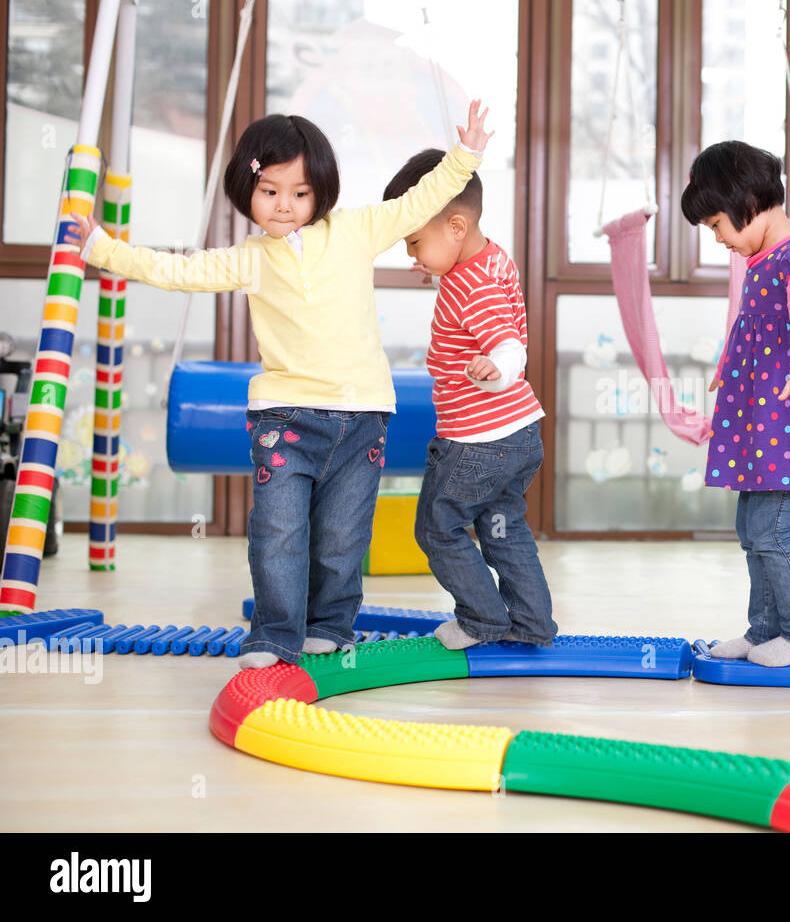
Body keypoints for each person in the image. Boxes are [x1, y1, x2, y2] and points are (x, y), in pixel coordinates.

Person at [71, 103, 492, 669]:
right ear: (248, 189)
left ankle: (330, 627)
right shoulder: (250, 259)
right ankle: (273, 634)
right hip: (285, 418)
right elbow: (178, 271)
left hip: (362, 417)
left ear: (321, 191)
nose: (284, 205)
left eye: (300, 192)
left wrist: (465, 156)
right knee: (278, 531)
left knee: (342, 536)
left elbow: (420, 201)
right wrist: (101, 248)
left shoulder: (357, 230)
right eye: (269, 191)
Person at [683, 140, 790, 667]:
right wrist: (727, 367)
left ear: (746, 202)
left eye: (717, 224)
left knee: (771, 528)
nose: (719, 238)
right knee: (752, 529)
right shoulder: (761, 259)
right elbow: (751, 326)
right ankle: (763, 631)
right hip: (766, 424)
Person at [383, 149, 553, 649]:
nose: (412, 256)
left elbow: (509, 344)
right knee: (503, 528)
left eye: (415, 242)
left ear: (455, 226)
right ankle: (532, 624)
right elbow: (492, 306)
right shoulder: (491, 259)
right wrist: (438, 265)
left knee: (438, 530)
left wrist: (499, 367)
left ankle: (482, 620)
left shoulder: (468, 286)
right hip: (518, 434)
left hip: (476, 440)